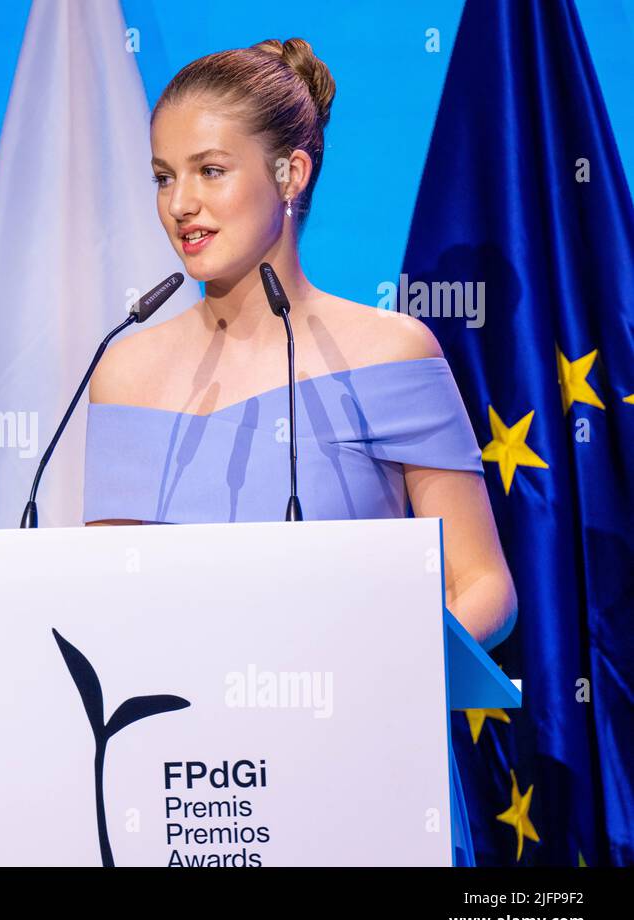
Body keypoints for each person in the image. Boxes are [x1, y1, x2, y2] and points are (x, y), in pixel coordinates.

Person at [82, 38, 518, 866]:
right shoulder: (124, 370)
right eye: (163, 176)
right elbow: (111, 603)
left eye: (210, 170)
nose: (180, 204)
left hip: (367, 779)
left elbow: (484, 585)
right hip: (190, 793)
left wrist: (369, 677)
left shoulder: (391, 351)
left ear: (291, 174)